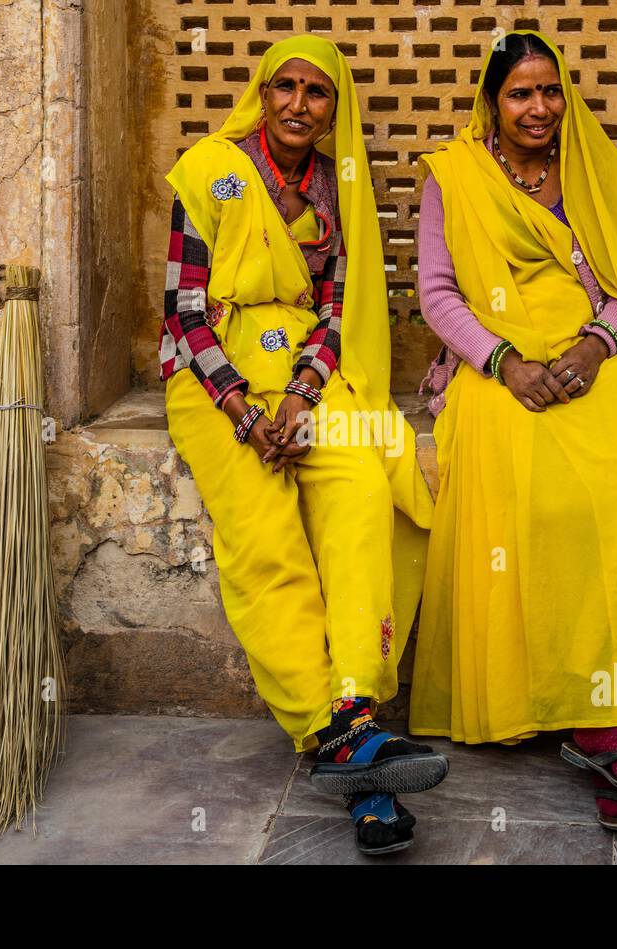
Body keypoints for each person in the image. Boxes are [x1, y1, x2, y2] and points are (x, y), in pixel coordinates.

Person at [409, 29, 617, 833]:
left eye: (550, 91)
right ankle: (590, 723)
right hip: (493, 371)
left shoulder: (588, 167)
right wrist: (504, 362)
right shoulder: (456, 175)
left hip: (589, 360)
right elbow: (438, 293)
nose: (538, 108)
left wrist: (595, 345)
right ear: (492, 102)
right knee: (539, 494)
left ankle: (603, 709)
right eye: (520, 93)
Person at [159, 35, 446, 855]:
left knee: (361, 493)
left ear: (334, 110)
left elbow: (335, 311)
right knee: (265, 539)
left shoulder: (334, 185)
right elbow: (183, 310)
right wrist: (247, 413)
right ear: (263, 91)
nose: (297, 104)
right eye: (284, 86)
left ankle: (351, 706)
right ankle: (343, 739)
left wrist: (303, 395)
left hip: (303, 384)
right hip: (214, 377)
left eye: (316, 93)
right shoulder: (211, 168)